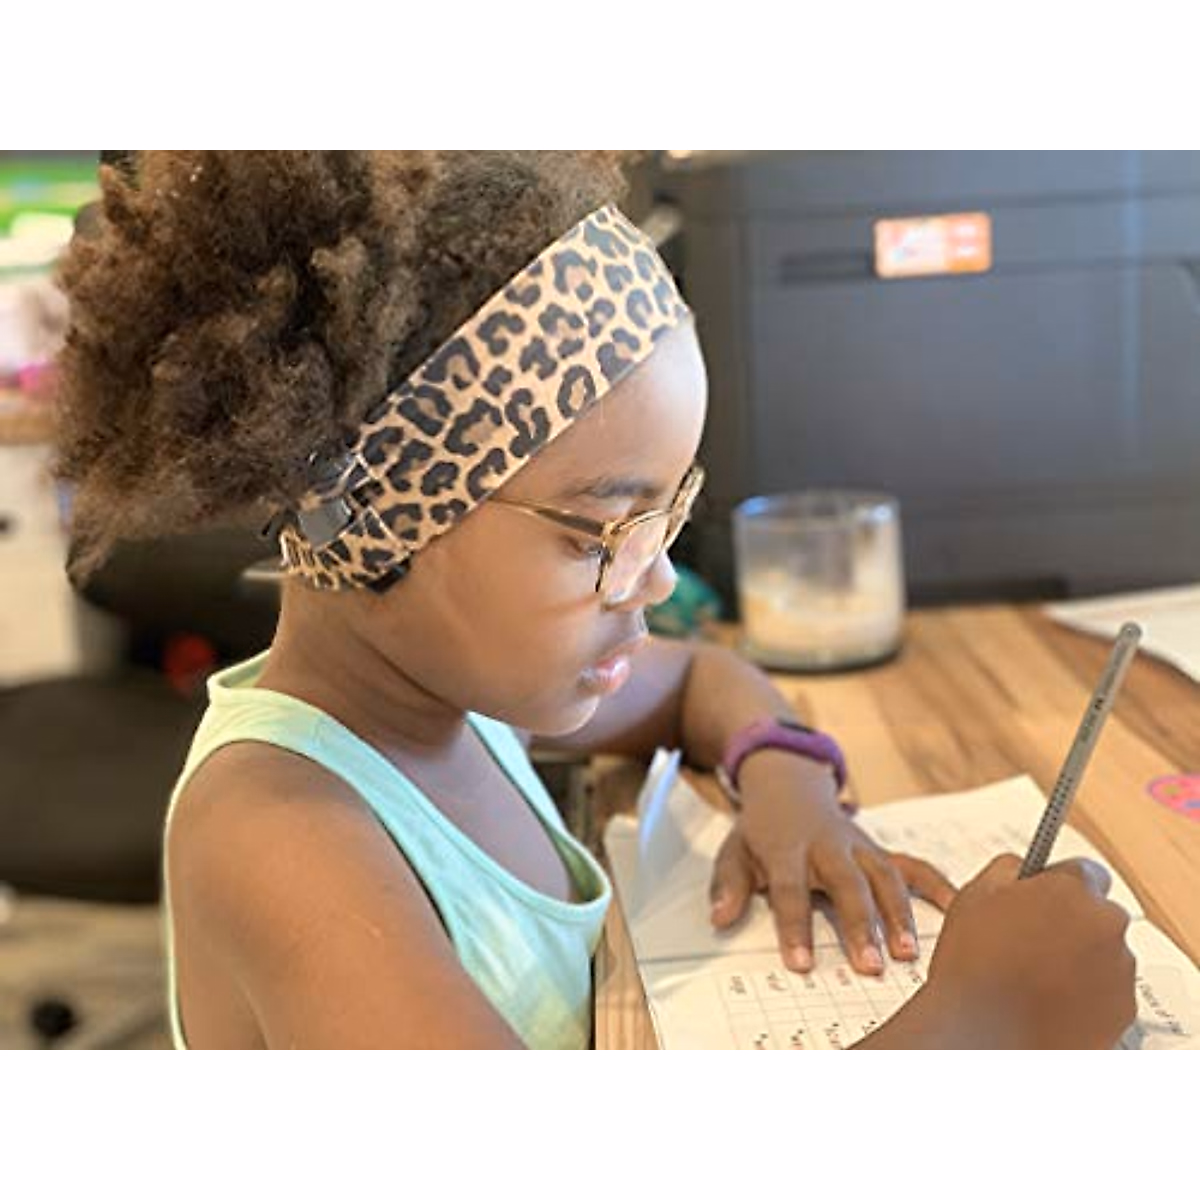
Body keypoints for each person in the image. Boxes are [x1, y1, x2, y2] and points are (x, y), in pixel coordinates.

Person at [52, 151, 1136, 1049]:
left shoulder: (461, 699)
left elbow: (705, 677)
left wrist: (784, 779)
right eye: (596, 535)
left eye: (669, 514)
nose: (657, 579)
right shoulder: (280, 839)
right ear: (380, 518)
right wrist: (978, 1025)